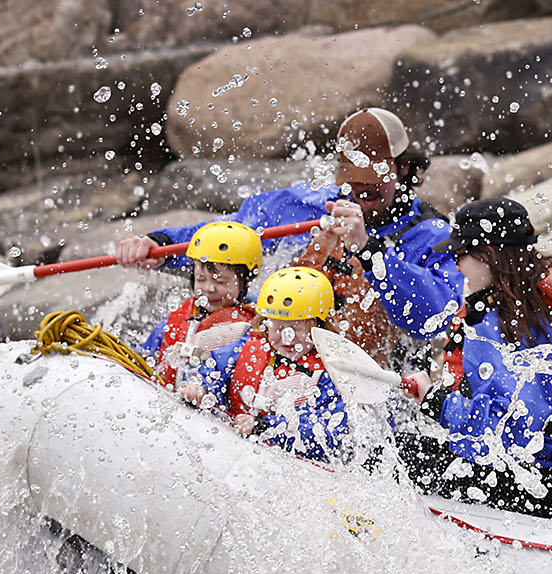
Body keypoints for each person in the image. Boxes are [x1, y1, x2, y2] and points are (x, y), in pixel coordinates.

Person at [116, 107, 462, 368]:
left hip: (362, 373)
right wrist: (159, 245)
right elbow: (231, 235)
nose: (360, 190)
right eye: (353, 180)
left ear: (403, 168)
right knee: (210, 320)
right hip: (282, 353)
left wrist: (369, 251)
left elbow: (433, 319)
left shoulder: (431, 235)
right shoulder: (313, 205)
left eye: (371, 180)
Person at [397, 198, 552, 525]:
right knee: (411, 445)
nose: (457, 266)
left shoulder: (518, 324)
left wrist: (437, 403)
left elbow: (516, 428)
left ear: (488, 256)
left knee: (392, 457)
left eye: (461, 255)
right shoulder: (530, 305)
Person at [201, 266, 349, 463]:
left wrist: (268, 427)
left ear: (319, 327)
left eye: (296, 328)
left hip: (288, 463)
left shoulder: (330, 374)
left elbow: (332, 431)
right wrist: (204, 390)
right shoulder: (247, 349)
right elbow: (214, 369)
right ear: (265, 324)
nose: (287, 338)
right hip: (235, 451)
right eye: (277, 328)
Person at [139, 220, 261, 404]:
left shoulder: (250, 329)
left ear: (246, 281)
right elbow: (145, 355)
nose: (209, 289)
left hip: (210, 409)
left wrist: (205, 388)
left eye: (220, 282)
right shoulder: (182, 315)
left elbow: (225, 366)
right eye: (201, 279)